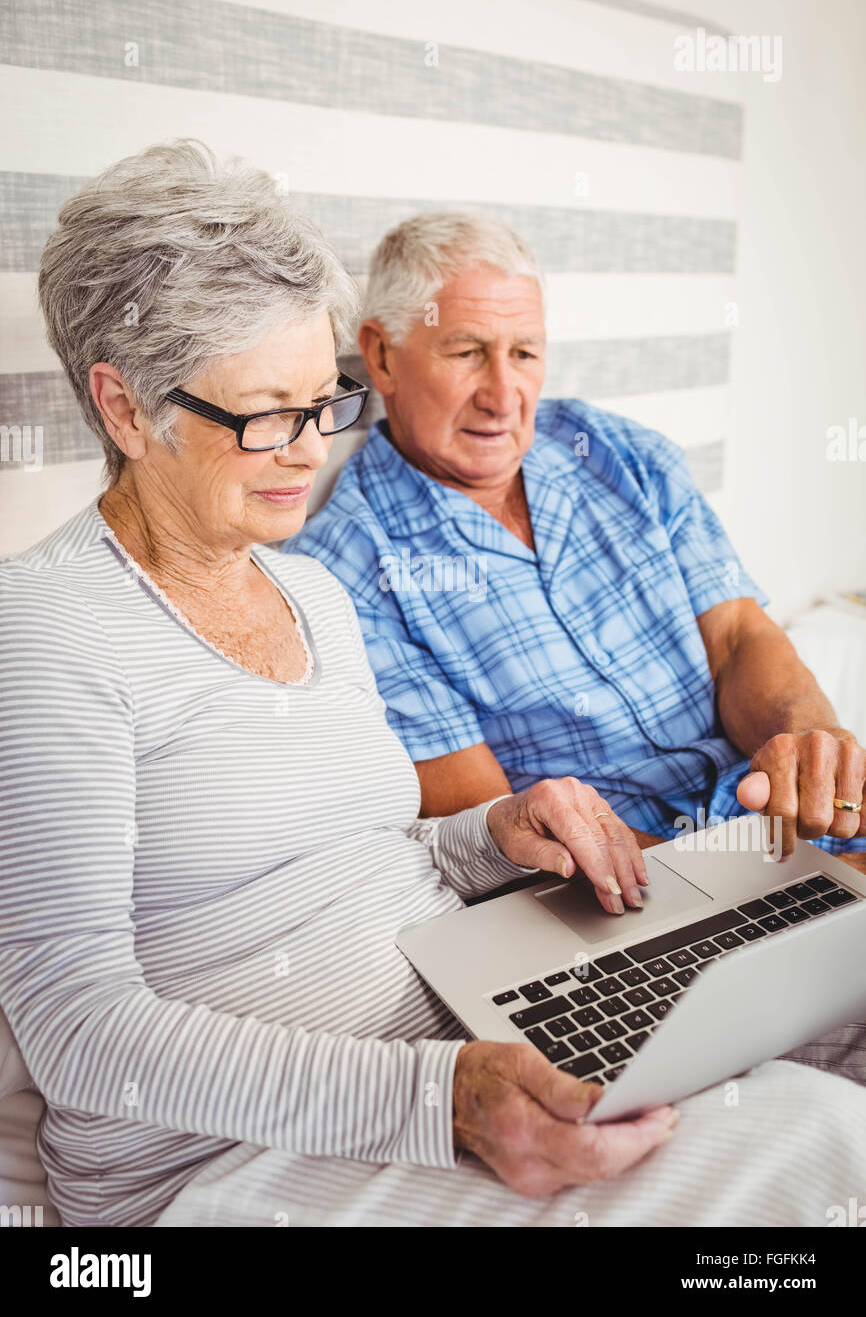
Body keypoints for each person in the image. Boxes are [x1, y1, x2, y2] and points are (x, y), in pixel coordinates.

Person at [1, 141, 863, 1231]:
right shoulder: (45, 628)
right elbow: (76, 1030)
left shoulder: (308, 592)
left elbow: (371, 853)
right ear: (124, 409)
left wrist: (494, 833)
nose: (309, 452)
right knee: (820, 1144)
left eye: (324, 404)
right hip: (234, 1159)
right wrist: (437, 1101)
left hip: (468, 1037)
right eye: (267, 415)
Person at [285, 212, 866, 873]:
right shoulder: (344, 574)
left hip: (790, 830)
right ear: (382, 355)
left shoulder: (620, 452)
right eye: (467, 352)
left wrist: (813, 746)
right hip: (640, 881)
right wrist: (776, 885)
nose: (503, 396)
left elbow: (738, 637)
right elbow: (492, 818)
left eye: (525, 354)